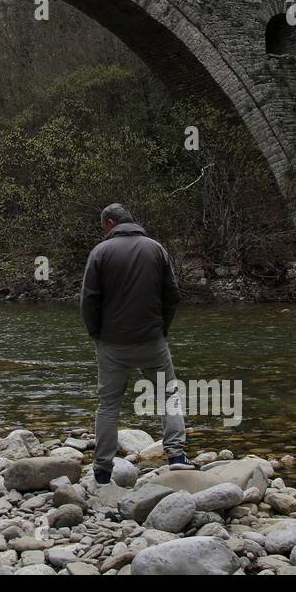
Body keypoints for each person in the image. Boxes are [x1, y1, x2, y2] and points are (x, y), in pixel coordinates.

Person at [80, 202, 193, 483]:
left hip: (111, 343)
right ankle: (177, 456)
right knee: (168, 396)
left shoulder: (100, 252)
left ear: (109, 223)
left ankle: (103, 469)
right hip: (151, 340)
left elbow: (89, 299)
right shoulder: (156, 249)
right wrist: (161, 329)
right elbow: (173, 295)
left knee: (108, 404)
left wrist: (96, 333)